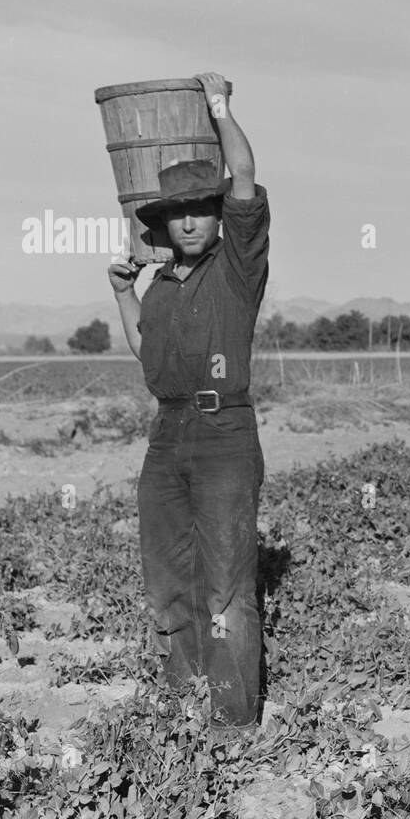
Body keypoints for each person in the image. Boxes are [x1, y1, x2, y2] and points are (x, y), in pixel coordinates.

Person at [108, 71, 270, 740]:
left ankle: (233, 725)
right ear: (165, 223)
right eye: (179, 212)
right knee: (170, 576)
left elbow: (244, 175)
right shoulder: (165, 286)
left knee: (227, 584)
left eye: (201, 207)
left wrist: (220, 108)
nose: (192, 219)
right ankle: (186, 706)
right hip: (165, 436)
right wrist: (123, 292)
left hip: (224, 433)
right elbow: (148, 356)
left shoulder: (237, 269)